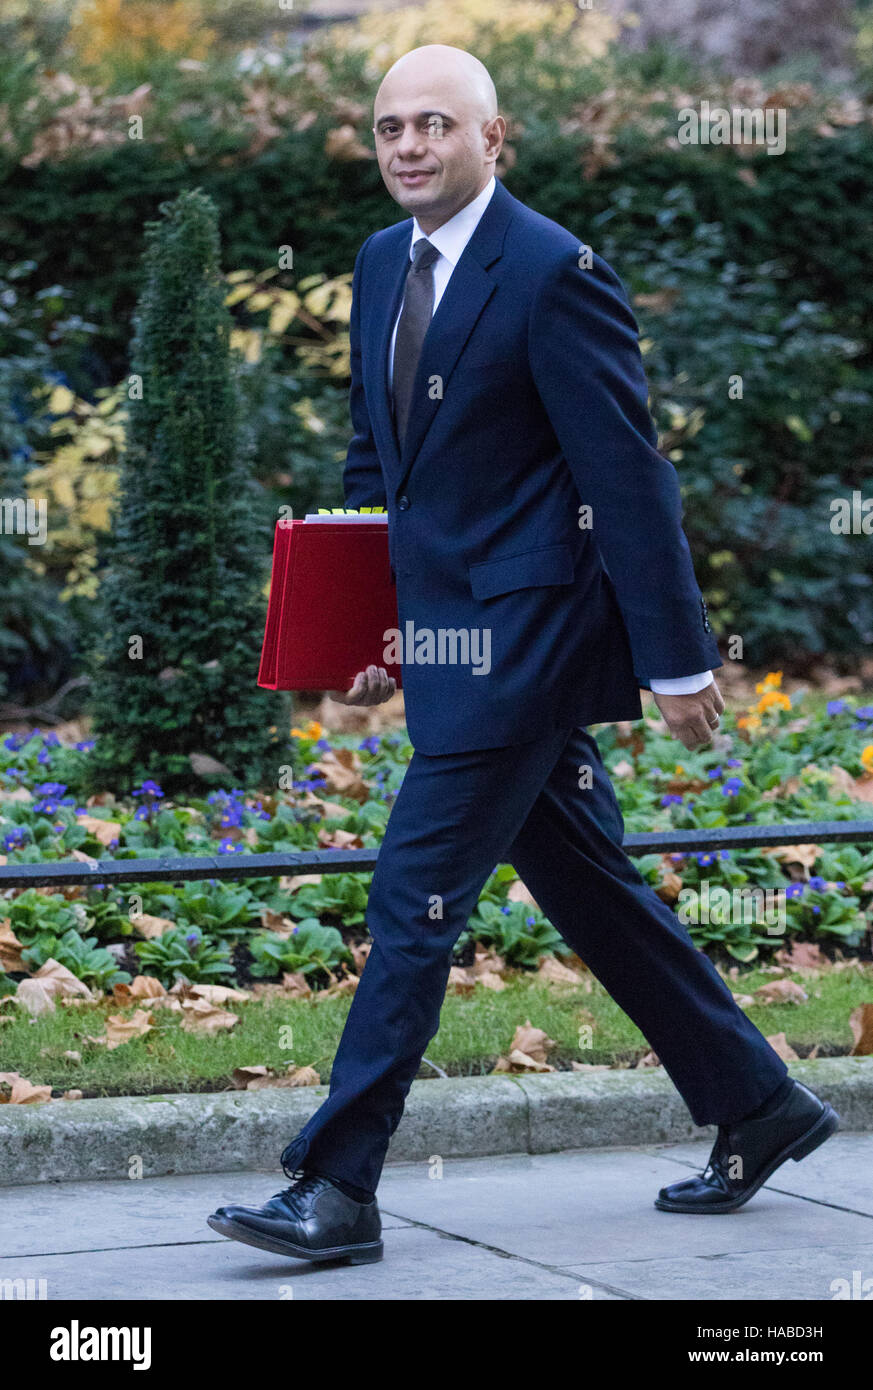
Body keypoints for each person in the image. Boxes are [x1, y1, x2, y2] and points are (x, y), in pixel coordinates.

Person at [208, 44, 838, 1266]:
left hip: (526, 644)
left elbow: (629, 479)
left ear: (493, 141)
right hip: (442, 640)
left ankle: (337, 1187)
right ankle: (759, 1105)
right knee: (592, 889)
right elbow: (375, 467)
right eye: (390, 128)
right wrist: (365, 623)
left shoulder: (554, 273)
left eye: (434, 125)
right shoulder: (382, 263)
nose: (407, 147)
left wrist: (676, 656)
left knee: (412, 900)